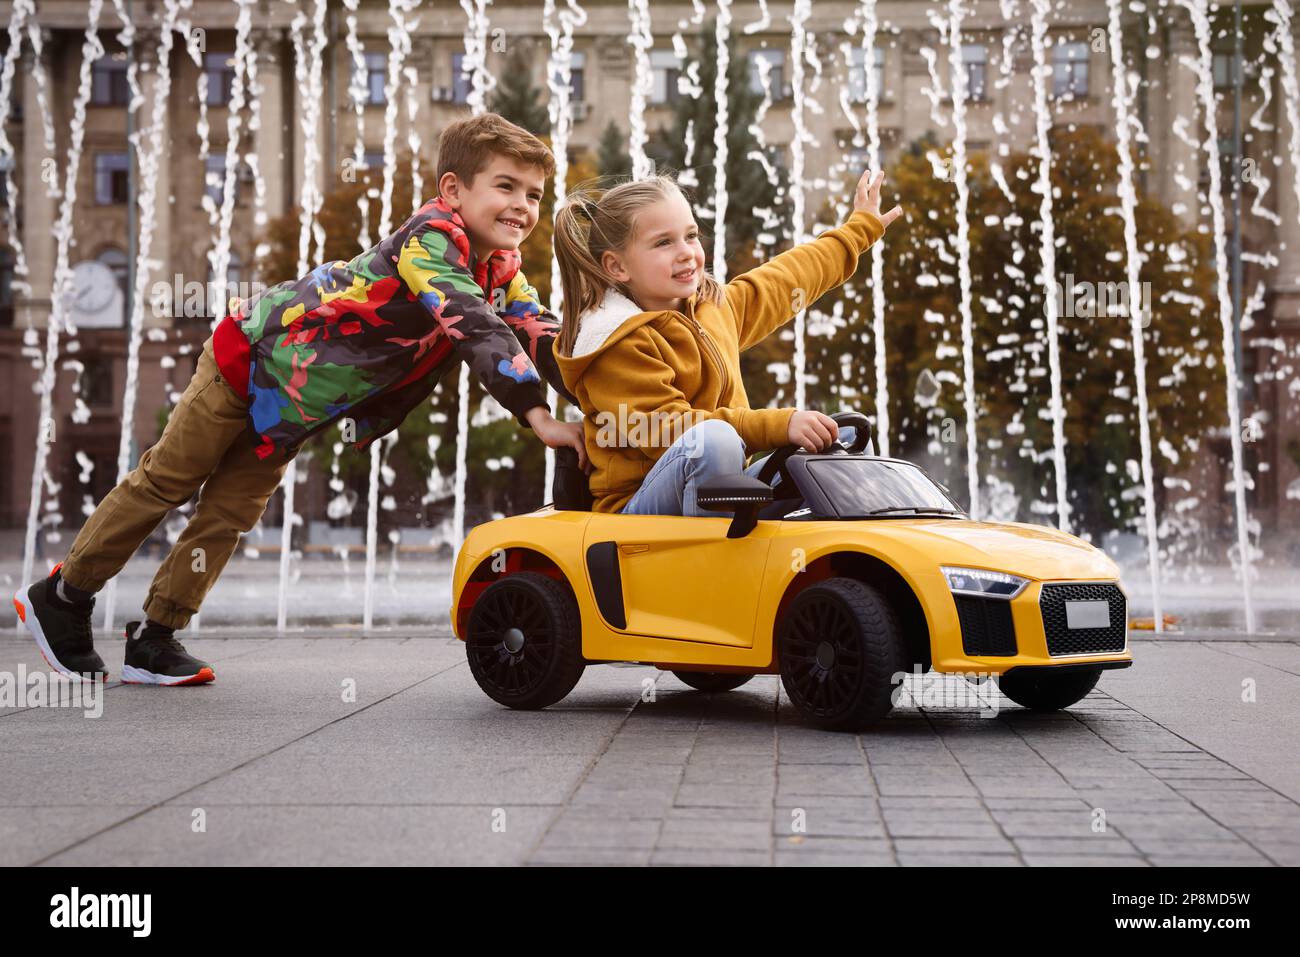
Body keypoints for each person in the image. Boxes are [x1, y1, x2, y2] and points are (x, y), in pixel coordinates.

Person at [14, 112, 583, 685]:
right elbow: (472, 322)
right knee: (169, 479)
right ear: (453, 190)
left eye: (533, 194)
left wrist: (597, 374)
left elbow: (535, 330)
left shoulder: (501, 271)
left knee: (231, 512)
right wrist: (536, 413)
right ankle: (64, 596)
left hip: (294, 407)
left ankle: (156, 636)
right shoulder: (429, 241)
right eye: (505, 186)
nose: (522, 206)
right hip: (250, 360)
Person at [551, 168, 901, 516]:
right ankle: (710, 565)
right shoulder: (616, 344)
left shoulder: (712, 308)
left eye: (691, 236)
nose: (687, 252)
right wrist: (779, 425)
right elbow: (668, 431)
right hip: (640, 515)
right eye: (663, 242)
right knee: (712, 441)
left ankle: (835, 567)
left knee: (832, 444)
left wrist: (857, 233)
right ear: (616, 266)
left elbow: (788, 279)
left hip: (719, 489)